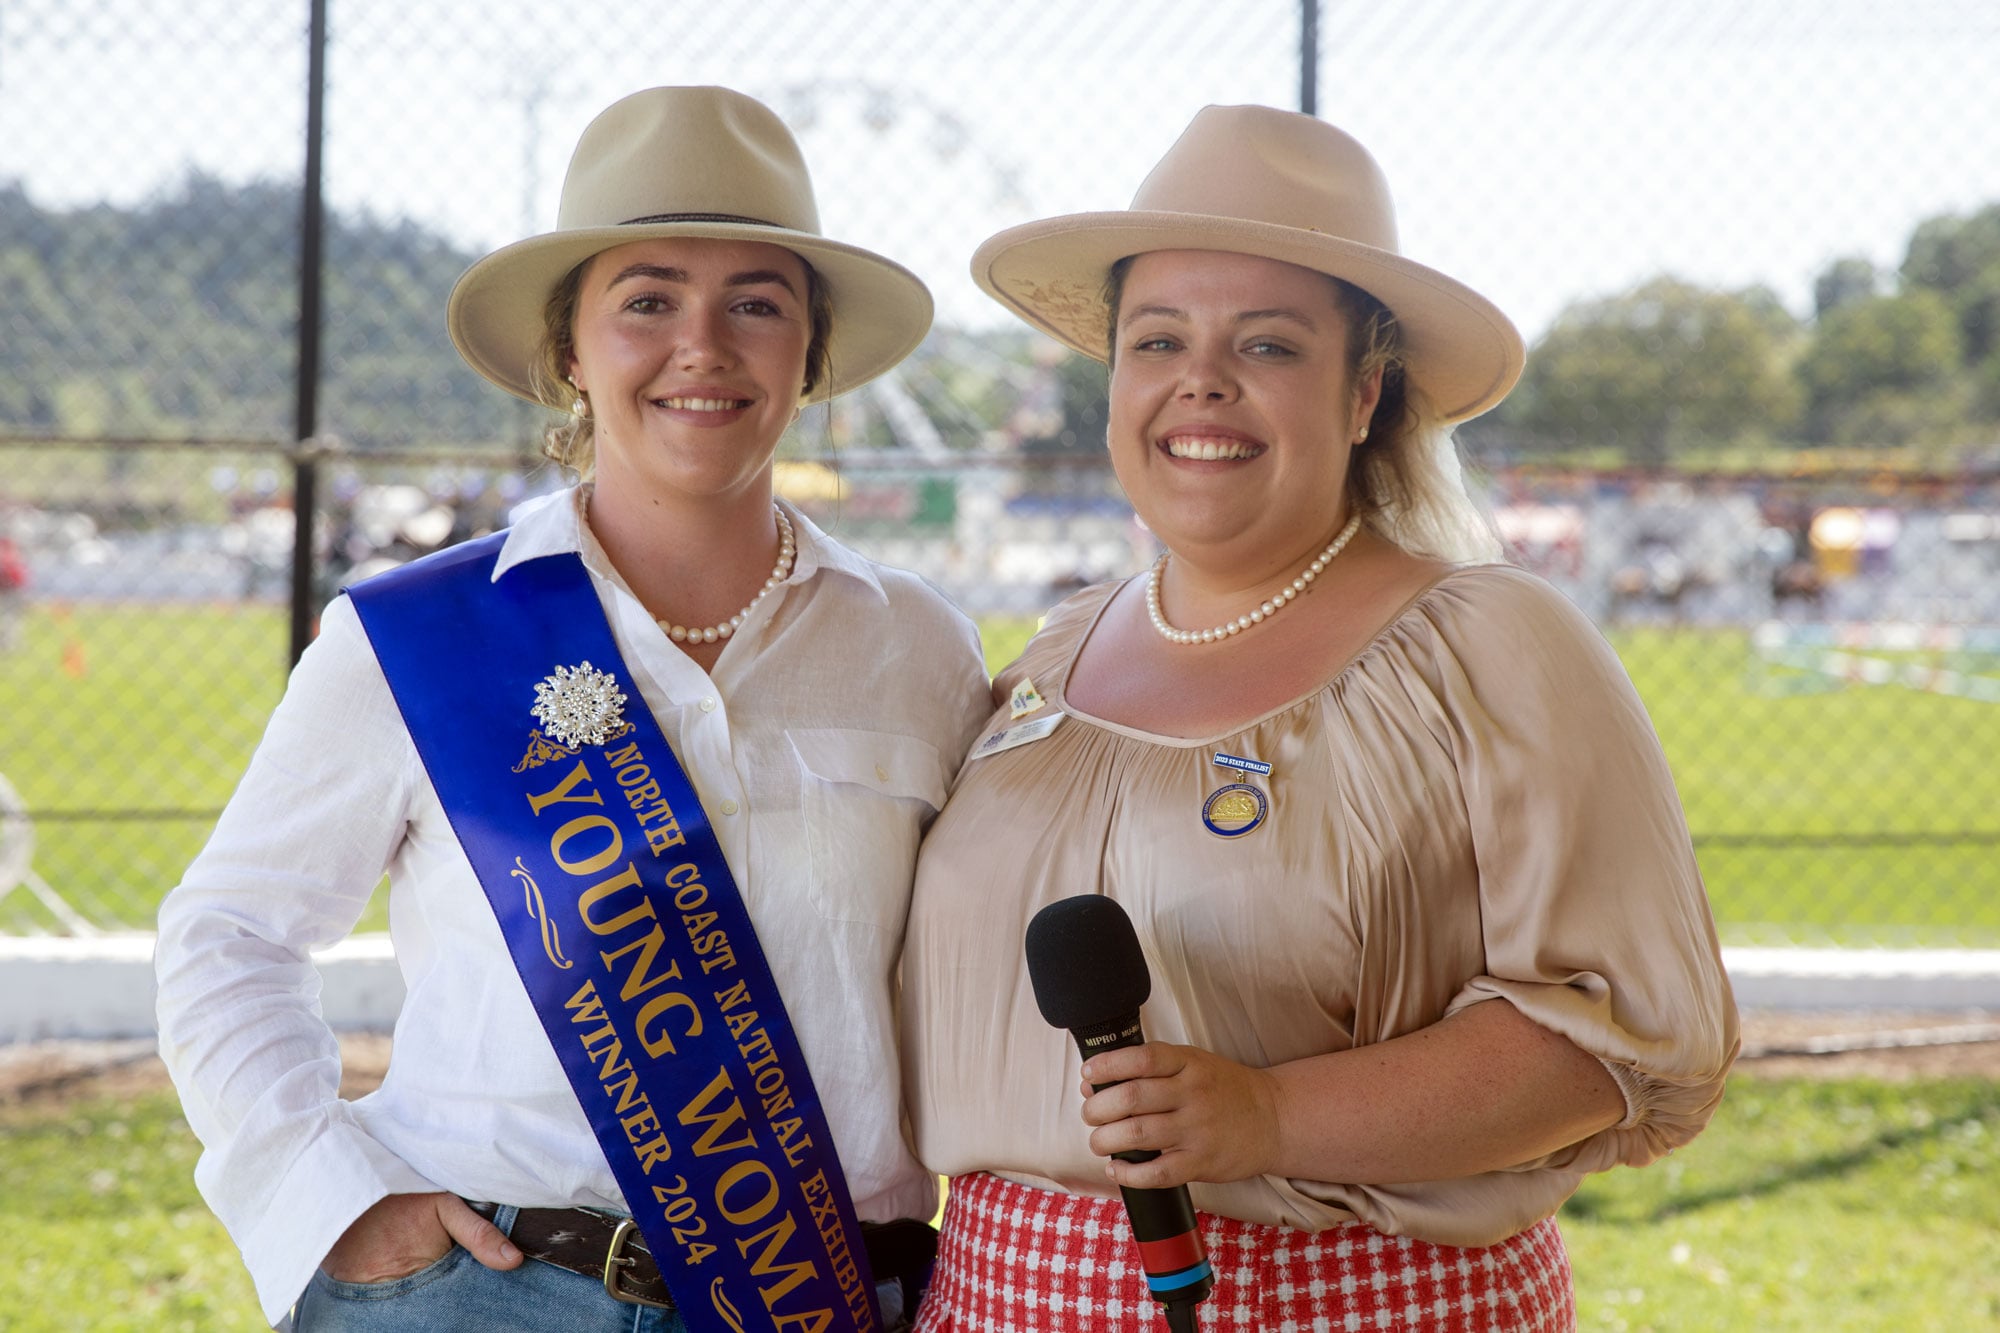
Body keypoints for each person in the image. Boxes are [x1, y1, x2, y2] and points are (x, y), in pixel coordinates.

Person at [156, 86, 988, 1332]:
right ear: (569, 351)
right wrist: (331, 1197)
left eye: (756, 303)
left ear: (808, 356)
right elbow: (227, 934)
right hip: (488, 1293)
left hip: (818, 1295)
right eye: (646, 300)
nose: (701, 344)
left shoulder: (917, 645)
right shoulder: (411, 640)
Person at [900, 104, 1738, 1331]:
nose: (1200, 381)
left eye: (1269, 346)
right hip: (990, 1297)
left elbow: (1612, 1044)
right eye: (1157, 338)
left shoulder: (1491, 643)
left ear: (1364, 396)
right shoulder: (1056, 651)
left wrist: (1268, 1117)